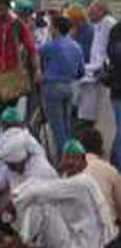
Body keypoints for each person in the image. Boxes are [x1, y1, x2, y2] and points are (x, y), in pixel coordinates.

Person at [0, 136, 114, 248]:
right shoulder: (78, 180)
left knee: (39, 203)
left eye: (74, 158)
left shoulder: (81, 183)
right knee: (42, 199)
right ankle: (18, 245)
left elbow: (40, 191)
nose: (70, 162)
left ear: (83, 162)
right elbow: (49, 187)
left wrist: (11, 206)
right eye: (67, 158)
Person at [38, 15, 85, 158]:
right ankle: (67, 157)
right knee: (66, 127)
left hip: (52, 88)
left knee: (57, 129)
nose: (50, 29)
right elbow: (80, 72)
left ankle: (65, 161)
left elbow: (38, 59)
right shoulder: (77, 47)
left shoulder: (49, 46)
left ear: (56, 29)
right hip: (68, 87)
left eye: (51, 26)